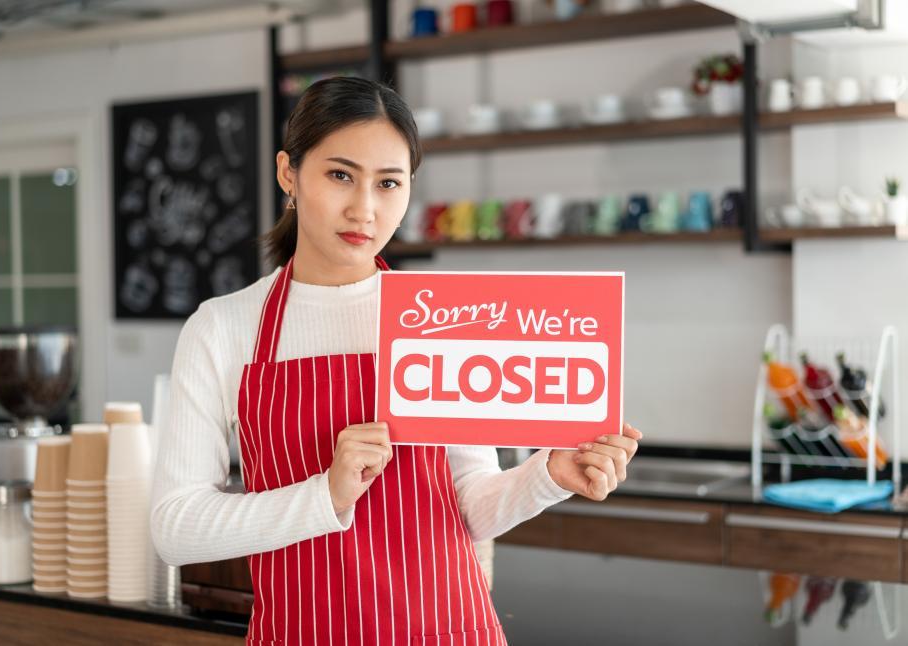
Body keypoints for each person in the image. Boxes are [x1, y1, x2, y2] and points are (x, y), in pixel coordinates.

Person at [151, 76, 643, 646]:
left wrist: (549, 476)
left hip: (450, 631)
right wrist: (324, 495)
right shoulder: (223, 328)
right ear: (289, 173)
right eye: (340, 175)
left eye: (388, 183)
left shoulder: (444, 318)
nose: (364, 209)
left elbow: (468, 505)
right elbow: (175, 528)